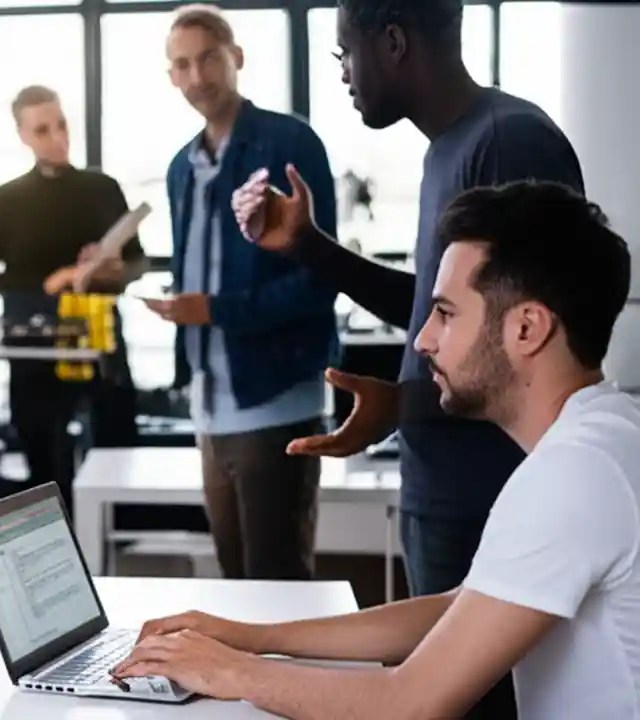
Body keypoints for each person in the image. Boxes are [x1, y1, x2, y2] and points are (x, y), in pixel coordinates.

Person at [116, 180, 639, 720]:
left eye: (445, 313)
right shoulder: (604, 435)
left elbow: (406, 705)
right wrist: (249, 637)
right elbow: (455, 611)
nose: (423, 340)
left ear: (526, 328)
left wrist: (225, 671)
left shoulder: (573, 474)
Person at [231, 2, 583, 713]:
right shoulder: (444, 150)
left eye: (343, 55)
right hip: (441, 490)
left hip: (489, 497)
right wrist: (311, 248)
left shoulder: (509, 141)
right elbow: (436, 315)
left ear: (392, 42)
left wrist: (405, 402)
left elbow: (538, 343)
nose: (342, 75)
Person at [144, 4, 338, 580]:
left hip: (276, 398)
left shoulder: (290, 142)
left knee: (276, 582)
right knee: (235, 582)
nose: (197, 75)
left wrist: (213, 310)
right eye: (182, 64)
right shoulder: (183, 165)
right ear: (171, 76)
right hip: (211, 404)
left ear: (237, 58)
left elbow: (320, 278)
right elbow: (199, 267)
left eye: (208, 58)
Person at [0, 85, 147, 507]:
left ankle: (114, 556)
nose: (58, 137)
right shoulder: (5, 200)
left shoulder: (102, 188)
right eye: (43, 130)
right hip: (35, 349)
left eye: (61, 124)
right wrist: (51, 281)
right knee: (44, 472)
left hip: (99, 342)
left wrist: (109, 269)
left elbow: (138, 263)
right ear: (23, 136)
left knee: (115, 452)